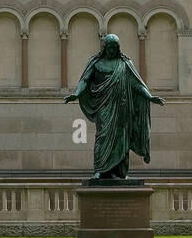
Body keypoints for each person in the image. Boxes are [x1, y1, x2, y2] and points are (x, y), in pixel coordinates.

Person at [64, 33, 165, 179]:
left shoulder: (124, 64)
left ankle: (120, 172)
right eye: (109, 47)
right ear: (104, 48)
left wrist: (149, 97)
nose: (111, 50)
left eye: (114, 47)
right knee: (103, 136)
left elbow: (137, 84)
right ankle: (99, 169)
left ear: (117, 48)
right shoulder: (95, 62)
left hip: (122, 108)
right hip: (104, 107)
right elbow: (85, 79)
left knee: (122, 138)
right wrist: (77, 93)